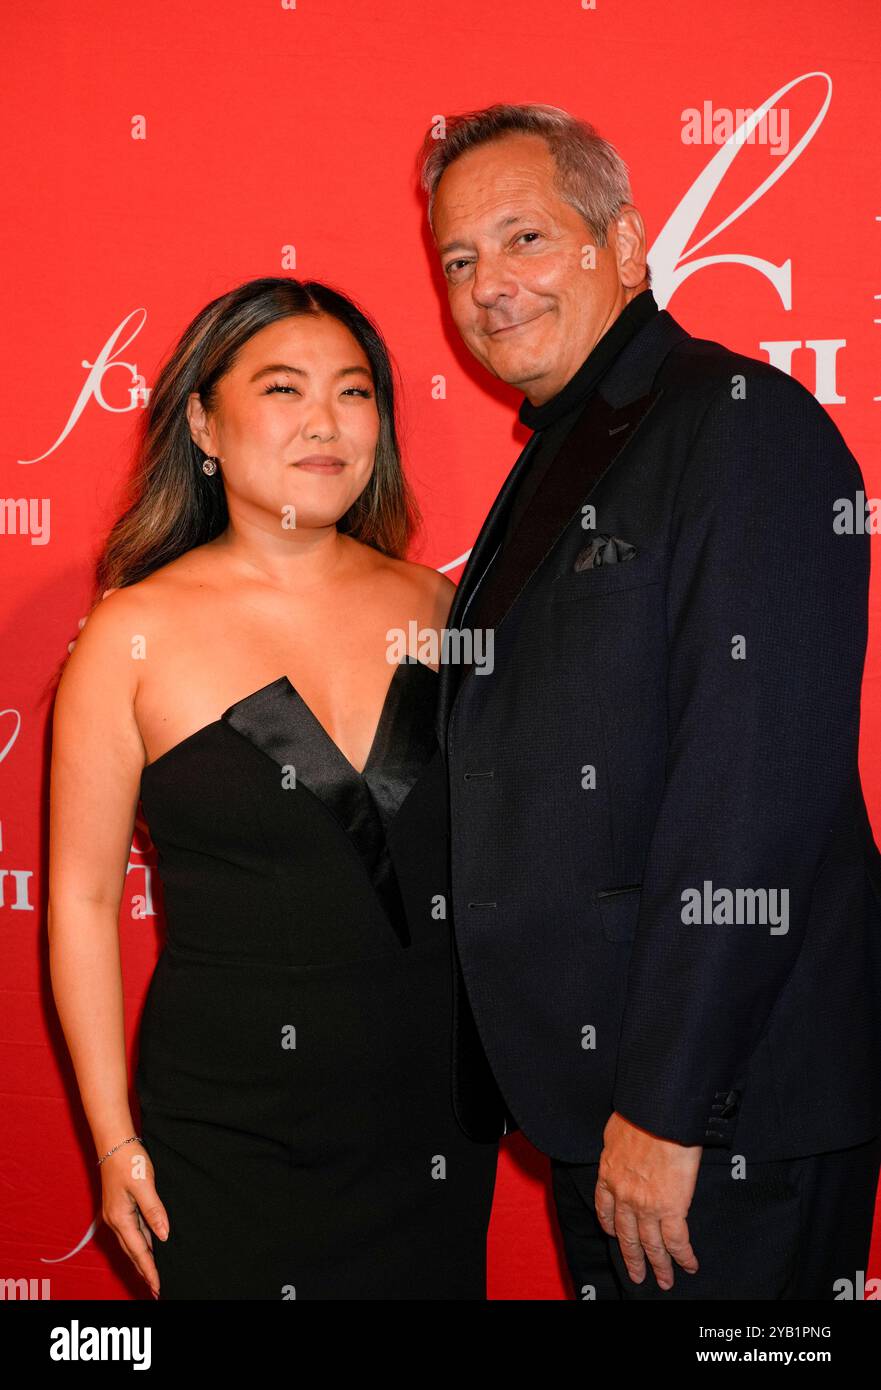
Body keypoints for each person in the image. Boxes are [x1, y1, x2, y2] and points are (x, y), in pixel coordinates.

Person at [416, 102, 881, 1299]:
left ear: (622, 243)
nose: (487, 286)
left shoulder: (736, 427)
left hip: (714, 1117)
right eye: (459, 259)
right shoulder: (572, 444)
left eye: (524, 239)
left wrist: (667, 1109)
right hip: (613, 1099)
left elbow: (752, 791)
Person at [48, 276, 498, 1301]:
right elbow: (77, 901)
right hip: (226, 1130)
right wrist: (113, 1140)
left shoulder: (441, 609)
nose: (325, 424)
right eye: (284, 389)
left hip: (428, 1125)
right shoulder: (131, 635)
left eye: (353, 392)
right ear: (202, 421)